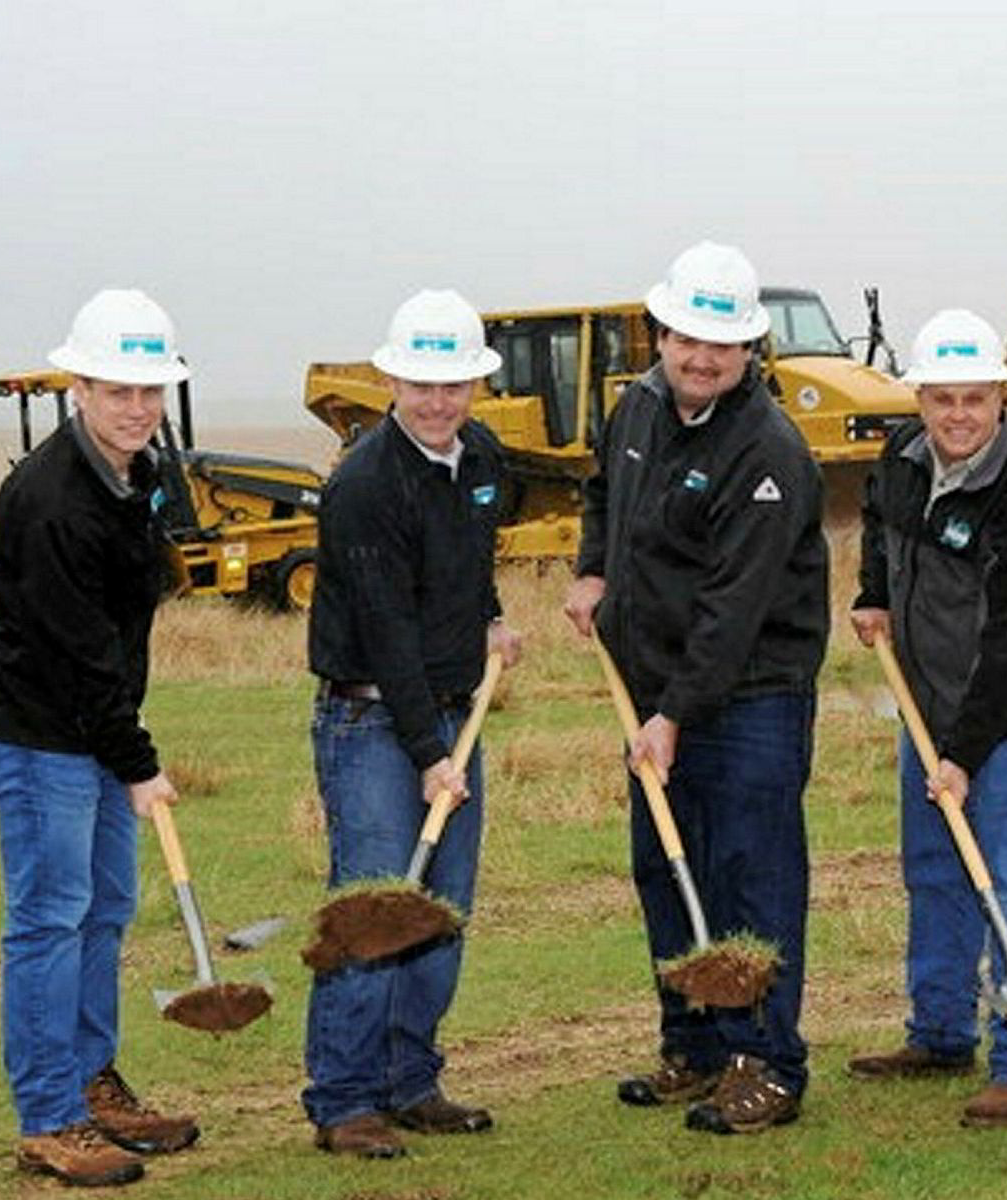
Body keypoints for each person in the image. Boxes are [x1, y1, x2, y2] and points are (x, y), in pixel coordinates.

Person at [562, 241, 827, 1136]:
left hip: (749, 694)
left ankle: (768, 1063)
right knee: (667, 870)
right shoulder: (636, 409)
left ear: (750, 350)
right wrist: (594, 570)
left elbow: (734, 609)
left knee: (750, 875)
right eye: (687, 339)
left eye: (723, 345)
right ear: (661, 332)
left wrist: (676, 713)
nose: (702, 358)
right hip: (653, 690)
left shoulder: (767, 450)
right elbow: (603, 493)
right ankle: (696, 1046)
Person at [0, 288, 201, 1188]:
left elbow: (124, 621)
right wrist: (138, 764)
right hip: (36, 741)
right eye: (118, 391)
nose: (136, 408)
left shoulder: (135, 476)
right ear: (79, 389)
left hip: (93, 734)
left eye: (149, 392)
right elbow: (80, 655)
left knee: (103, 912)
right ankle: (49, 1119)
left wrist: (122, 747)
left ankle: (94, 1086)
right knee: (49, 923)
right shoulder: (53, 500)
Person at [846, 309, 1007, 1129]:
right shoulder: (903, 459)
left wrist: (965, 753)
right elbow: (880, 520)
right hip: (929, 709)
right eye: (942, 398)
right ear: (919, 399)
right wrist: (872, 592)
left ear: (1000, 398)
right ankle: (939, 1033)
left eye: (973, 399)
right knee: (937, 877)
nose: (957, 416)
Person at [302, 289, 523, 1156]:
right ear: (389, 378)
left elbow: (465, 566)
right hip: (371, 723)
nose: (438, 403)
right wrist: (431, 756)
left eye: (455, 385)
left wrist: (491, 616)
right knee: (375, 907)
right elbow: (387, 628)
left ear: (476, 386)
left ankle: (411, 1079)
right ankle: (345, 1097)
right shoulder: (362, 485)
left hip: (449, 714)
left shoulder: (483, 462)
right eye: (422, 385)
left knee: (440, 908)